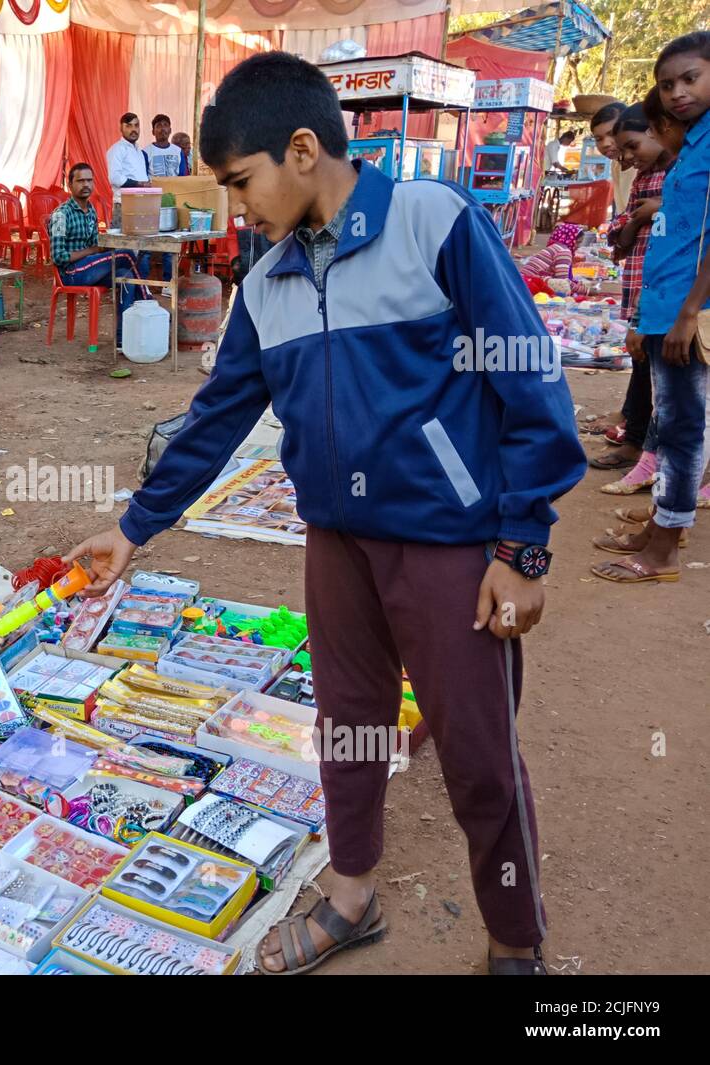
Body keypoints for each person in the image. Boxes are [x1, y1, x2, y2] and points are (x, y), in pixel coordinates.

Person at [65, 51, 585, 975]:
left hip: (453, 546)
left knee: (477, 752)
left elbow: (529, 377)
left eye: (240, 183)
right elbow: (216, 418)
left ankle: (516, 947)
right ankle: (352, 896)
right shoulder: (265, 286)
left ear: (301, 148)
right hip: (336, 544)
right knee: (347, 726)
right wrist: (132, 525)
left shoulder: (436, 225)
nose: (237, 210)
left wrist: (524, 542)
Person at [592, 31, 710, 584]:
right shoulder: (691, 147)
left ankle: (664, 551)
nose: (678, 92)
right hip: (665, 308)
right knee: (670, 422)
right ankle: (664, 527)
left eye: (691, 77)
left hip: (686, 311)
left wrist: (689, 312)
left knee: (683, 429)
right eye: (668, 84)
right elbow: (672, 240)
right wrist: (646, 317)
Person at [591, 102, 674, 487]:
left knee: (668, 382)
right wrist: (639, 218)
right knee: (644, 366)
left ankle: (658, 464)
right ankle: (638, 442)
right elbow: (623, 231)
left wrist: (655, 212)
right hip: (642, 283)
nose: (623, 155)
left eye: (628, 146)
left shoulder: (678, 174)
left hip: (667, 292)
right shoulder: (642, 176)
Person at [48, 163, 149, 346]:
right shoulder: (61, 215)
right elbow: (58, 257)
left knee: (125, 278)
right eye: (80, 181)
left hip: (89, 268)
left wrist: (108, 244)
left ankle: (122, 339)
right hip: (70, 274)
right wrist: (94, 251)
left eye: (89, 180)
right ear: (70, 185)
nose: (85, 184)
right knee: (126, 255)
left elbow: (96, 243)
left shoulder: (91, 210)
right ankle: (148, 303)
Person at [142, 115, 180, 280]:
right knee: (146, 246)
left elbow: (184, 177)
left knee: (170, 246)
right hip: (150, 204)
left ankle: (168, 283)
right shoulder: (145, 152)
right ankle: (141, 284)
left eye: (166, 125)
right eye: (159, 126)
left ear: (170, 130)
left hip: (172, 204)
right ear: (153, 131)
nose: (163, 128)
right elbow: (143, 177)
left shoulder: (178, 152)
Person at [590, 101, 635, 215]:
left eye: (612, 134)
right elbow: (622, 212)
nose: (605, 144)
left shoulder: (644, 164)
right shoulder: (616, 164)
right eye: (599, 139)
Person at [518, 221, 586, 294]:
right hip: (529, 283)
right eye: (578, 242)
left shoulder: (556, 247)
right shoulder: (564, 251)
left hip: (522, 281)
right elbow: (563, 280)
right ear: (569, 239)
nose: (579, 246)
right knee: (563, 286)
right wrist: (586, 291)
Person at [106, 112, 150, 189]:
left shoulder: (140, 151)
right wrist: (139, 184)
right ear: (121, 128)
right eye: (128, 126)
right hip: (124, 200)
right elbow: (114, 177)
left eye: (136, 125)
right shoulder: (116, 149)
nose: (133, 129)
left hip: (142, 198)